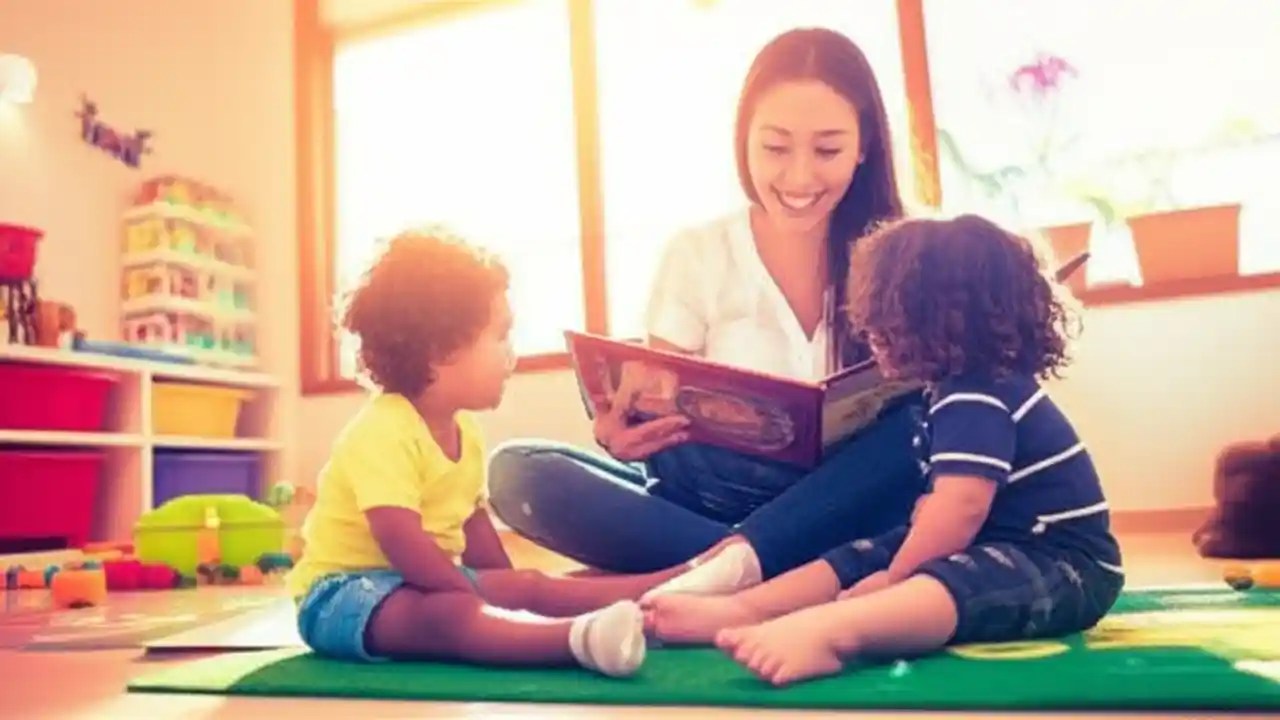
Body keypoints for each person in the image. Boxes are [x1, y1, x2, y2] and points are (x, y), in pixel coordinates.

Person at [488, 27, 927, 594]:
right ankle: (793, 573)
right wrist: (627, 434)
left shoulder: (907, 253)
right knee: (521, 471)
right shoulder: (697, 253)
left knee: (922, 432)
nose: (798, 177)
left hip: (852, 495)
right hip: (721, 495)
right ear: (742, 140)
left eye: (827, 150)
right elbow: (665, 428)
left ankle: (726, 571)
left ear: (864, 146)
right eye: (774, 147)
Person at [644, 214, 1125, 686]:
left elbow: (962, 507)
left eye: (887, 324)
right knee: (864, 554)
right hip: (998, 539)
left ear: (942, 322)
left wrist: (895, 579)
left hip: (1066, 565)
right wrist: (896, 556)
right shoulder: (951, 392)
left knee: (947, 584)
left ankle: (838, 633)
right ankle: (745, 608)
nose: (870, 336)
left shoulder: (978, 393)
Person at [288, 230, 686, 676]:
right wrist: (468, 592)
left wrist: (511, 590)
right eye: (500, 335)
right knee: (450, 616)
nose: (510, 353)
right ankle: (576, 639)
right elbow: (399, 537)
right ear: (442, 351)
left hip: (420, 581)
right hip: (340, 594)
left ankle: (666, 589)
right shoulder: (384, 428)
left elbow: (472, 523)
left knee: (531, 584)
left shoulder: (465, 433)